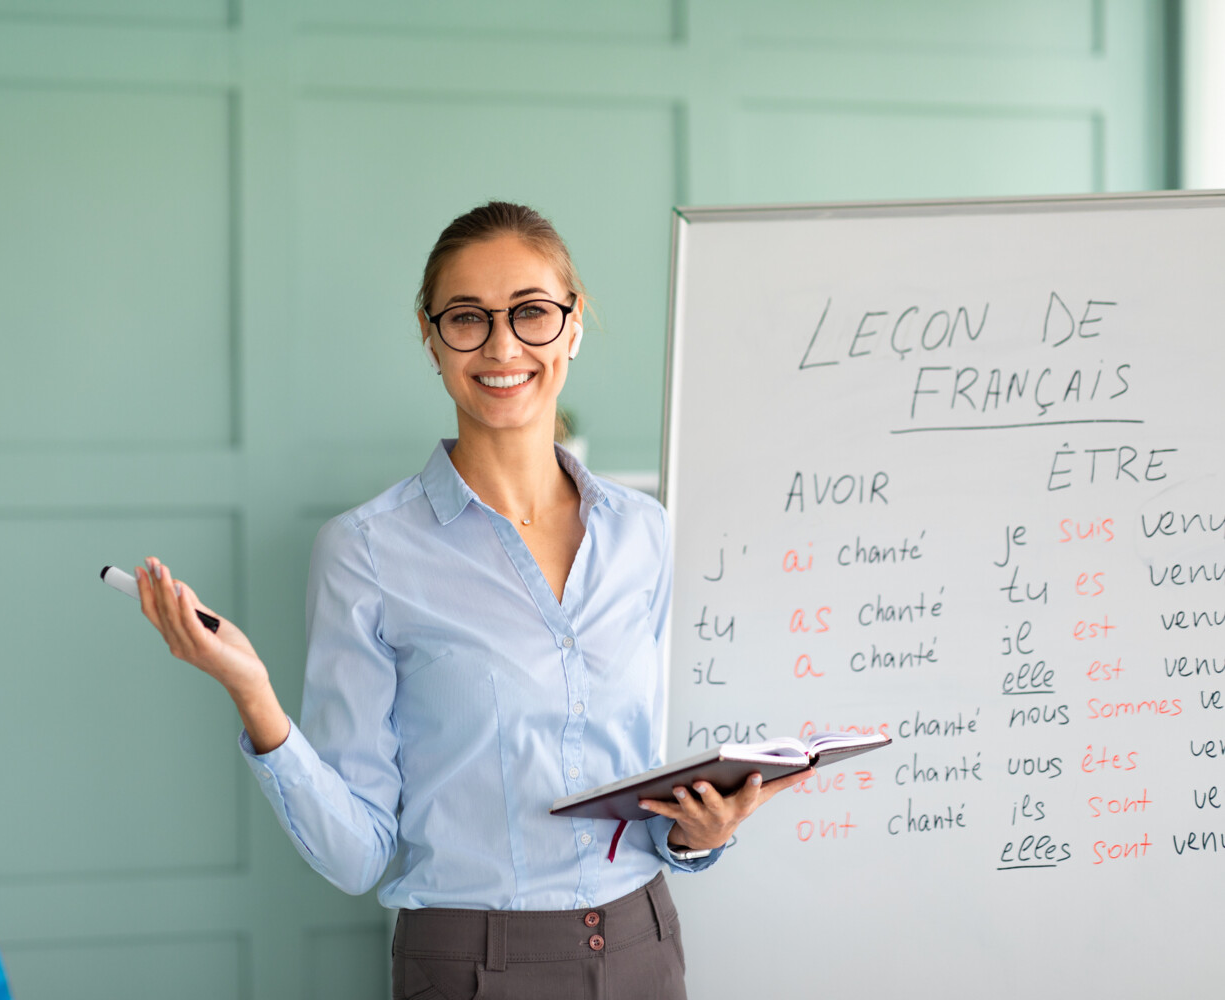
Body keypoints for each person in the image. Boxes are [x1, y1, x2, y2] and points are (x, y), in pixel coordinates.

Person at [135, 202, 805, 999]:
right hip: (469, 968)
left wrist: (699, 835)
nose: (502, 346)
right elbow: (356, 855)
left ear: (573, 325)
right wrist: (254, 695)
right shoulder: (366, 552)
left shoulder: (644, 533)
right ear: (431, 338)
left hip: (644, 946)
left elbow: (651, 787)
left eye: (531, 312)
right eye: (466, 318)